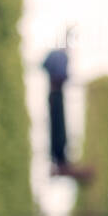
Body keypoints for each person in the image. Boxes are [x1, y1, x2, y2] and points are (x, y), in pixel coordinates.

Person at [43, 27, 72, 172]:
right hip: (57, 93)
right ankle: (60, 158)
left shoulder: (52, 54)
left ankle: (58, 158)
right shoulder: (62, 56)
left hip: (52, 93)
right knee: (58, 127)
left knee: (55, 126)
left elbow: (43, 66)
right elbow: (64, 76)